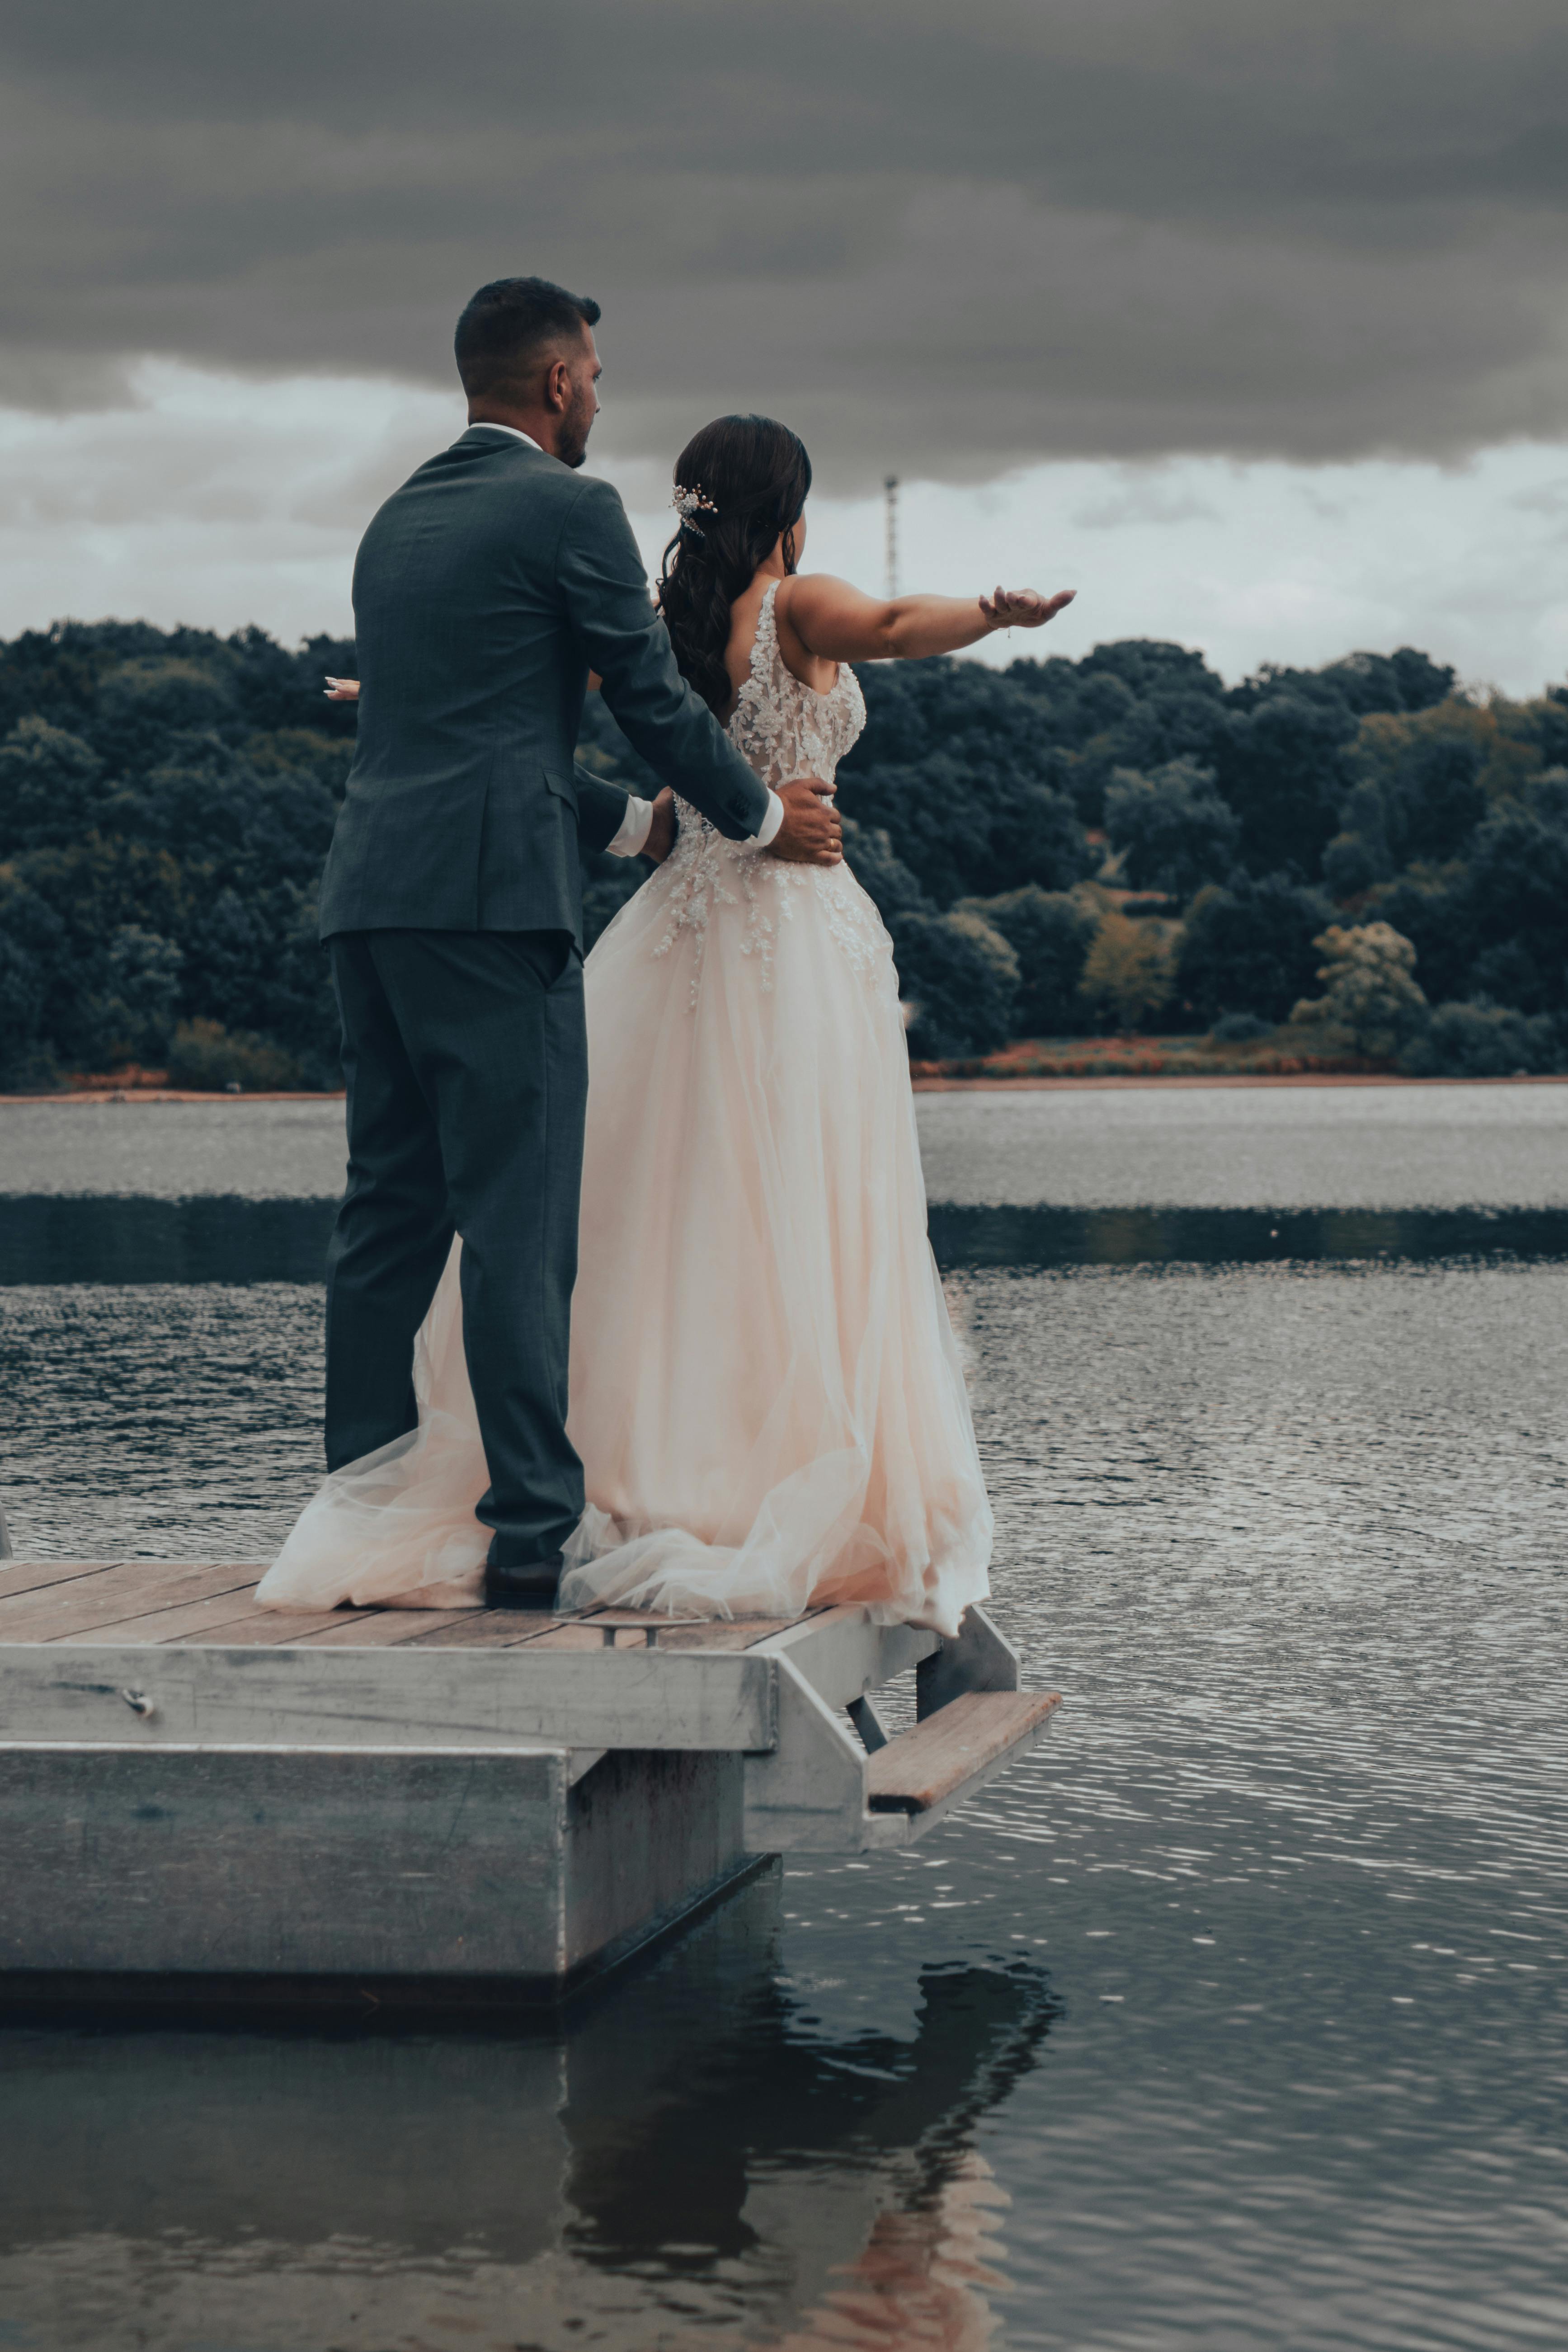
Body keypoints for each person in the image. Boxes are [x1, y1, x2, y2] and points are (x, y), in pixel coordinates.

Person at [259, 362, 1074, 1631]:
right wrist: (995, 611)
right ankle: (755, 1472)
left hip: (673, 928)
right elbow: (903, 626)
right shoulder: (796, 600)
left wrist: (400, 696)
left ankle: (601, 1476)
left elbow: (535, 696)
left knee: (646, 1205)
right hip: (789, 931)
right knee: (791, 1206)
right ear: (786, 509)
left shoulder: (665, 619)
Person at [255, 278, 840, 1616]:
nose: (599, 400)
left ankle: (358, 1511)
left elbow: (458, 739)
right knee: (520, 1211)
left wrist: (642, 832)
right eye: (596, 379)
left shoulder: (393, 524)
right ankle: (530, 1530)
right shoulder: (569, 509)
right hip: (490, 905)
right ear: (561, 383)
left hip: (372, 896)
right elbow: (645, 692)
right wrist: (752, 816)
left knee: (388, 1214)